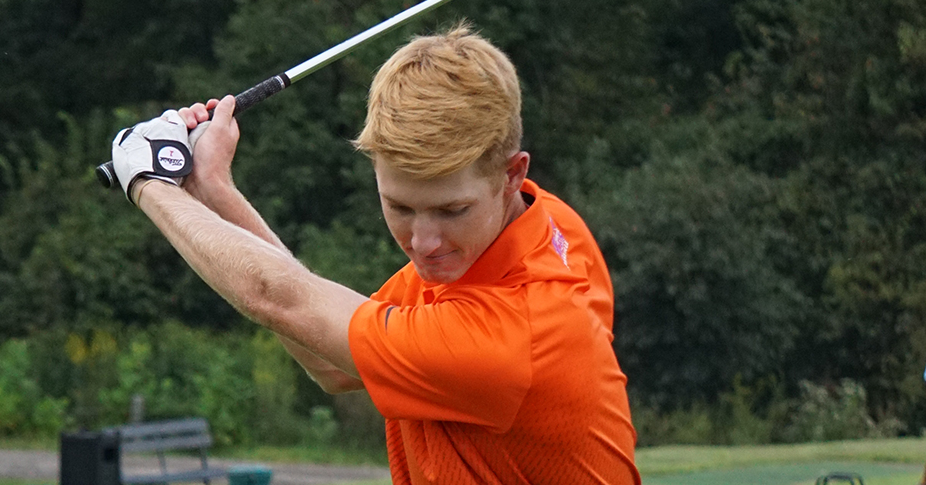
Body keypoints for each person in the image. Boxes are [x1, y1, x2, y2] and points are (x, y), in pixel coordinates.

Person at [111, 25, 641, 484]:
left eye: (451, 211)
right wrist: (212, 186)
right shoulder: (538, 226)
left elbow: (276, 297)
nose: (423, 243)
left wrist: (149, 182)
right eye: (400, 206)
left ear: (512, 175)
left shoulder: (509, 339)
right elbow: (331, 361)